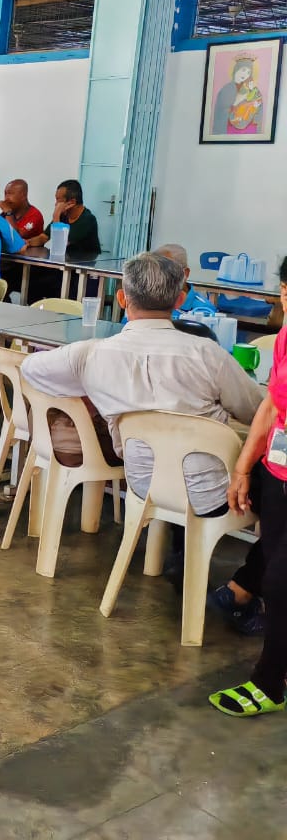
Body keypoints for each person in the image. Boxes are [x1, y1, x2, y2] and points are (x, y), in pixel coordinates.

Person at [21, 251, 263, 545]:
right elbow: (256, 413)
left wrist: (87, 389)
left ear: (122, 299)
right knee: (273, 475)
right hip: (213, 495)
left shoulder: (90, 354)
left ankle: (180, 549)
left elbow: (30, 369)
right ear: (179, 301)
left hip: (142, 486)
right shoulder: (208, 354)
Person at [210, 256, 287, 717]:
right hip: (278, 473)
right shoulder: (284, 341)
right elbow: (272, 407)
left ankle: (270, 680)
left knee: (279, 580)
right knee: (273, 566)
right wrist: (244, 467)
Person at [54, 179, 100, 257]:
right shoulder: (63, 216)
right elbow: (43, 237)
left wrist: (56, 215)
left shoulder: (88, 219)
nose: (56, 204)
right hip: (67, 261)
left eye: (58, 200)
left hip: (85, 264)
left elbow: (60, 244)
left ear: (72, 202)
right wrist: (28, 242)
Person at [0, 179, 46, 247]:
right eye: (5, 194)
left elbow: (15, 238)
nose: (6, 198)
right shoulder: (5, 214)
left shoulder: (35, 215)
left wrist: (8, 213)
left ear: (23, 195)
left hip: (28, 256)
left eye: (10, 193)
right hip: (8, 256)